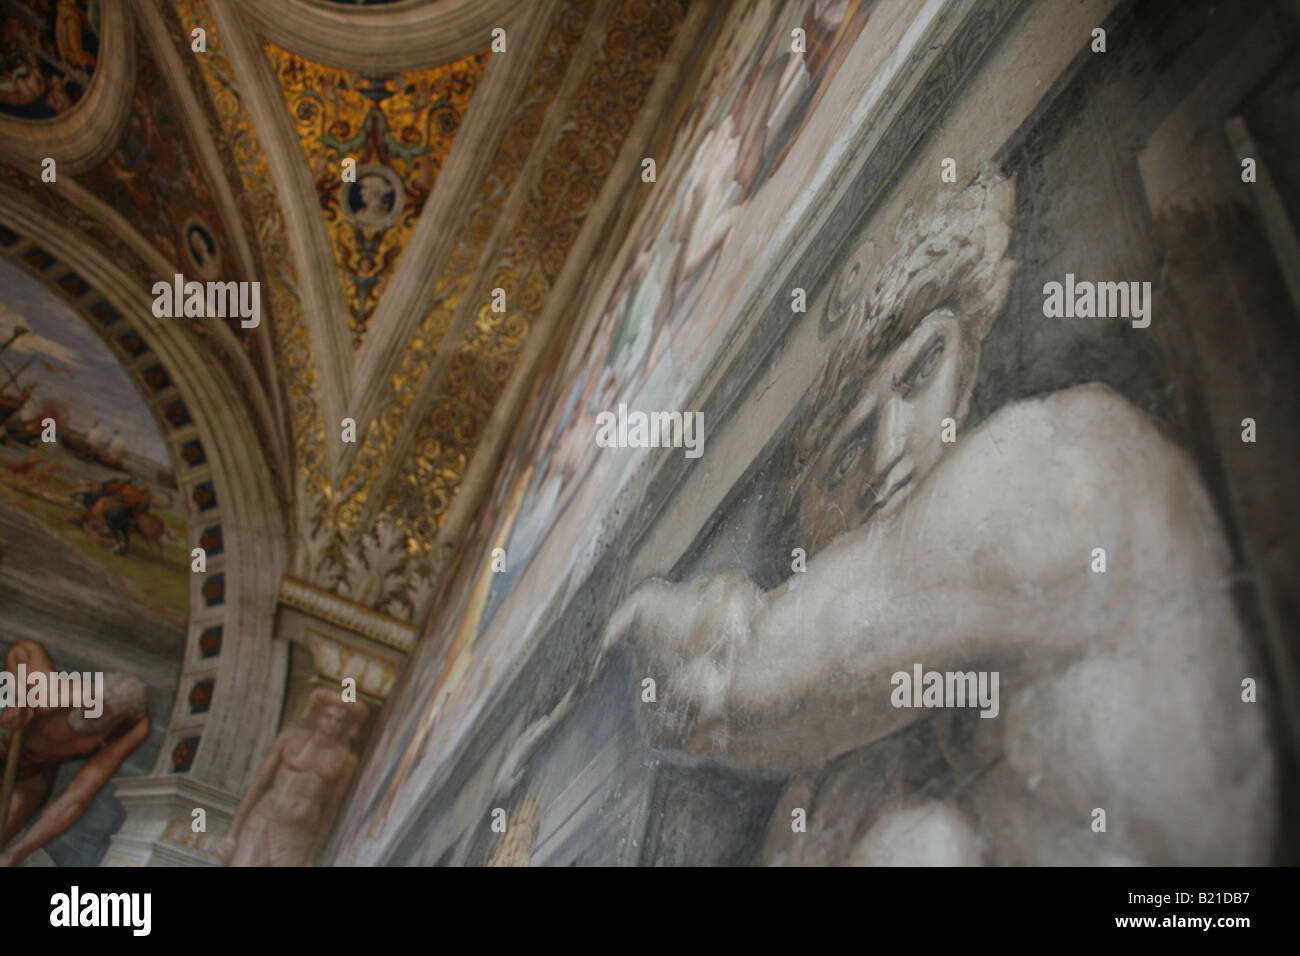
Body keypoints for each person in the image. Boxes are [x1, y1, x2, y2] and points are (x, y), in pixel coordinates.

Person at [601, 172, 1275, 864]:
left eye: (921, 370)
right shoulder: (930, 688)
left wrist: (646, 621)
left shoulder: (1053, 462)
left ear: (970, 356)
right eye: (852, 448)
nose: (891, 453)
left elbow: (740, 687)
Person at [0, 641, 149, 867]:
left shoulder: (131, 729)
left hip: (30, 776)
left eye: (101, 720)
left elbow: (76, 798)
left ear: (118, 719)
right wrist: (20, 698)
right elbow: (22, 650)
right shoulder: (56, 694)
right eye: (89, 708)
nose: (91, 717)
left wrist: (16, 853)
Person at [217, 688, 366, 866]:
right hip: (265, 819)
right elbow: (259, 783)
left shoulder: (346, 760)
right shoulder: (289, 738)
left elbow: (330, 812)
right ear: (318, 717)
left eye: (339, 721)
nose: (332, 724)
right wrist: (232, 834)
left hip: (299, 834)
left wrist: (312, 857)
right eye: (328, 716)